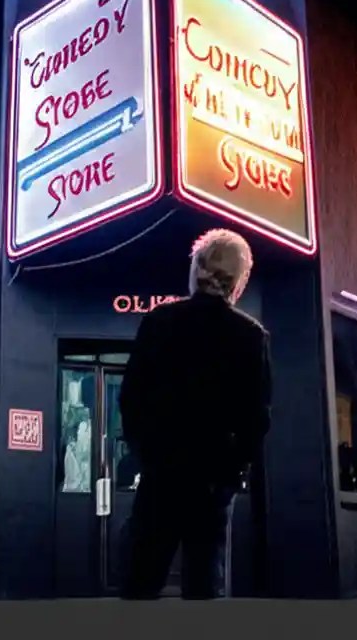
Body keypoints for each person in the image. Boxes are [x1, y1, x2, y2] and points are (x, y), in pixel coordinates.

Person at [118, 228, 273, 600]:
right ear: (238, 281)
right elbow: (256, 420)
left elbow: (130, 399)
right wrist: (232, 473)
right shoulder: (251, 336)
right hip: (212, 483)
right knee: (204, 585)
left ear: (197, 269)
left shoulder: (158, 322)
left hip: (161, 475)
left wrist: (146, 457)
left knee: (141, 581)